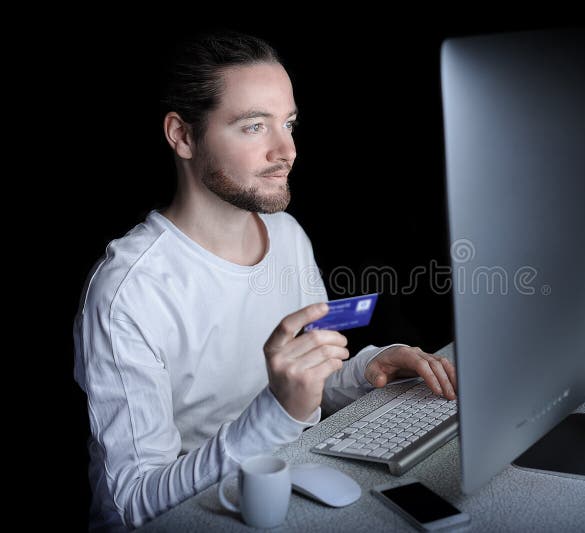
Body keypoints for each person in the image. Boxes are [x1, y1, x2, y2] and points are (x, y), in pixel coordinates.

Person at [73, 29, 457, 532]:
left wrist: (368, 369)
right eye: (255, 127)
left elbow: (300, 387)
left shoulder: (287, 233)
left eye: (290, 123)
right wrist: (277, 412)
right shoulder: (128, 293)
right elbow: (130, 505)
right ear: (182, 136)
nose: (288, 150)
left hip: (292, 497)